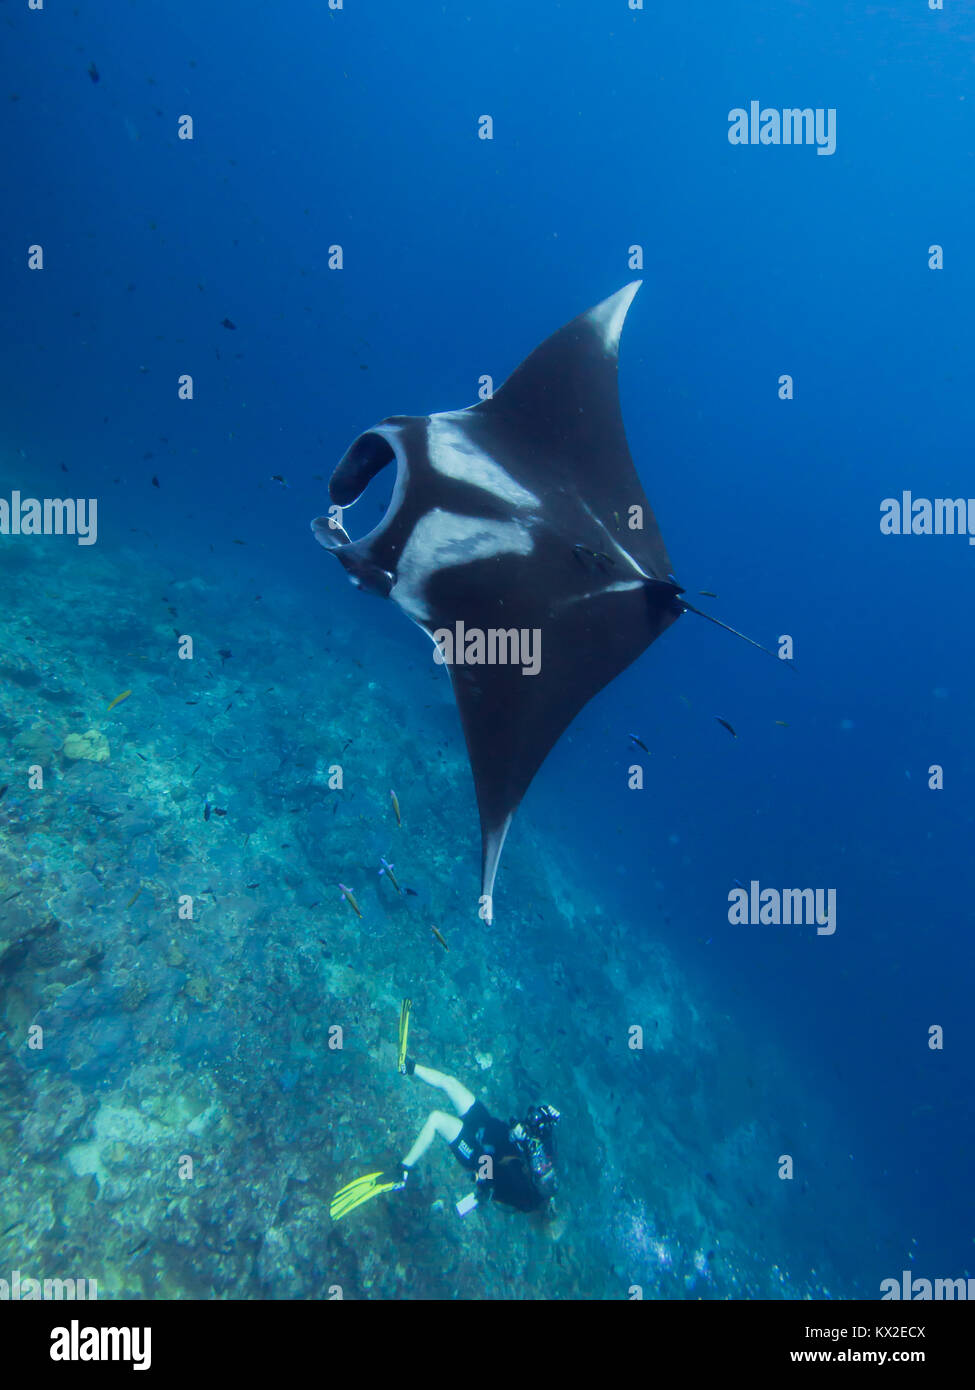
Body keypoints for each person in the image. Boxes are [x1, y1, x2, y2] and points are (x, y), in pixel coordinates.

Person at [329, 1054, 560, 1222]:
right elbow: (520, 1133)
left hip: (480, 1153)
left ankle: (402, 1171)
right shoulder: (540, 1145)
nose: (542, 1165)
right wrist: (533, 1127)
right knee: (449, 1082)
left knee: (436, 1118)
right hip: (488, 1127)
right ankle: (408, 1066)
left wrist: (484, 1181)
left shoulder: (528, 1178)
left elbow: (491, 1178)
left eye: (540, 1170)